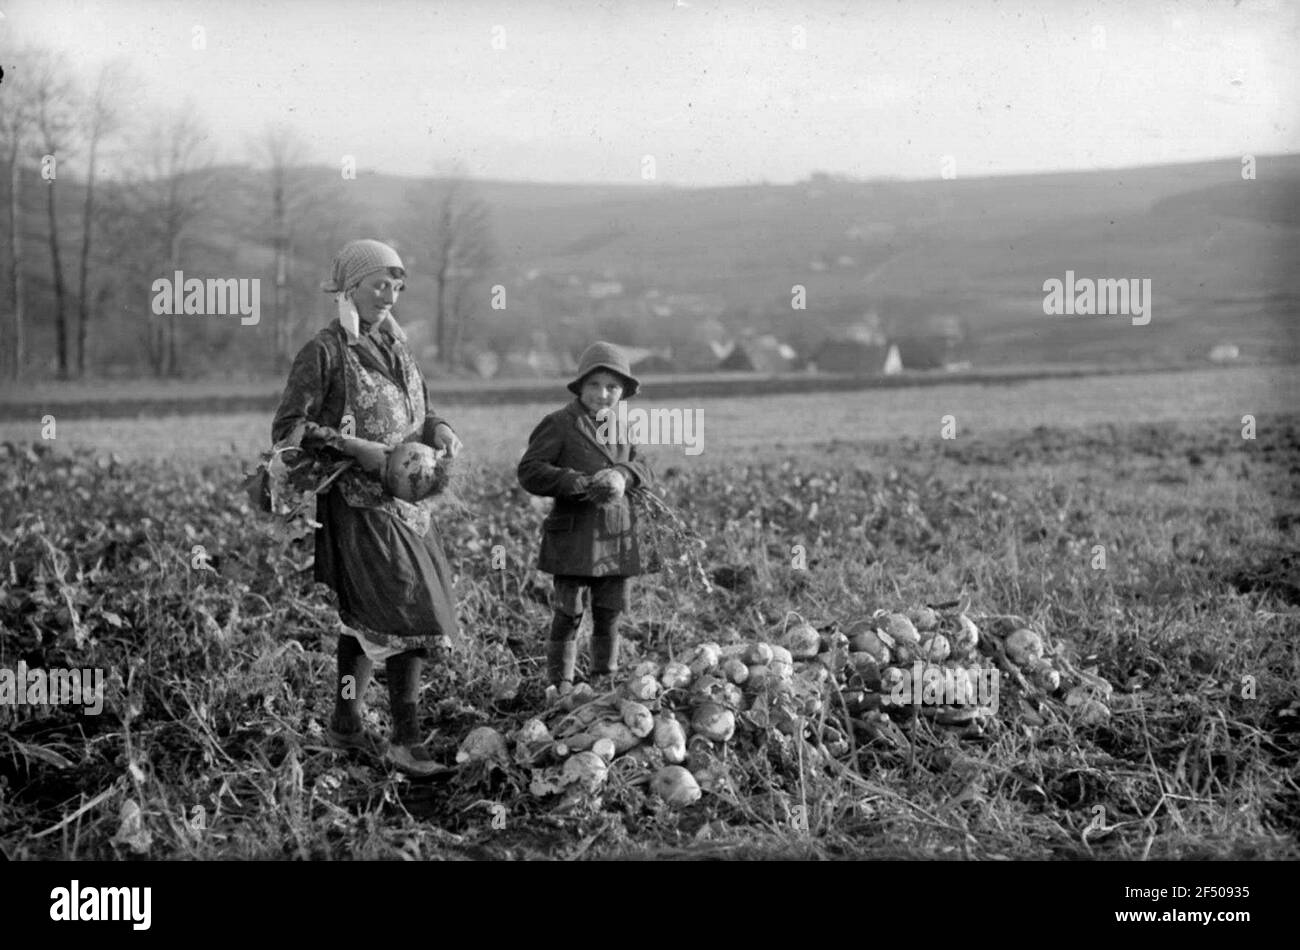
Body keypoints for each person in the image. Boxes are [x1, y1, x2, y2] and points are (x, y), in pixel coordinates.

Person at [271, 238, 464, 777]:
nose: (390, 296)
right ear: (350, 286)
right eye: (380, 284)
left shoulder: (397, 347)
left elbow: (419, 411)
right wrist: (352, 448)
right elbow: (288, 430)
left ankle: (345, 726)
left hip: (409, 508)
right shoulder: (325, 351)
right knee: (409, 614)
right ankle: (406, 742)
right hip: (358, 506)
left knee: (362, 621)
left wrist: (441, 429)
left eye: (397, 286)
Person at [517, 342, 654, 697]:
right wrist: (576, 482)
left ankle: (603, 679)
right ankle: (559, 684)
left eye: (611, 387)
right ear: (580, 387)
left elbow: (644, 467)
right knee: (569, 613)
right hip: (574, 538)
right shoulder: (560, 424)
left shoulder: (624, 427)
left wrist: (623, 475)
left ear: (622, 392)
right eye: (594, 385)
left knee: (610, 613)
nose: (602, 394)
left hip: (616, 535)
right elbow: (530, 471)